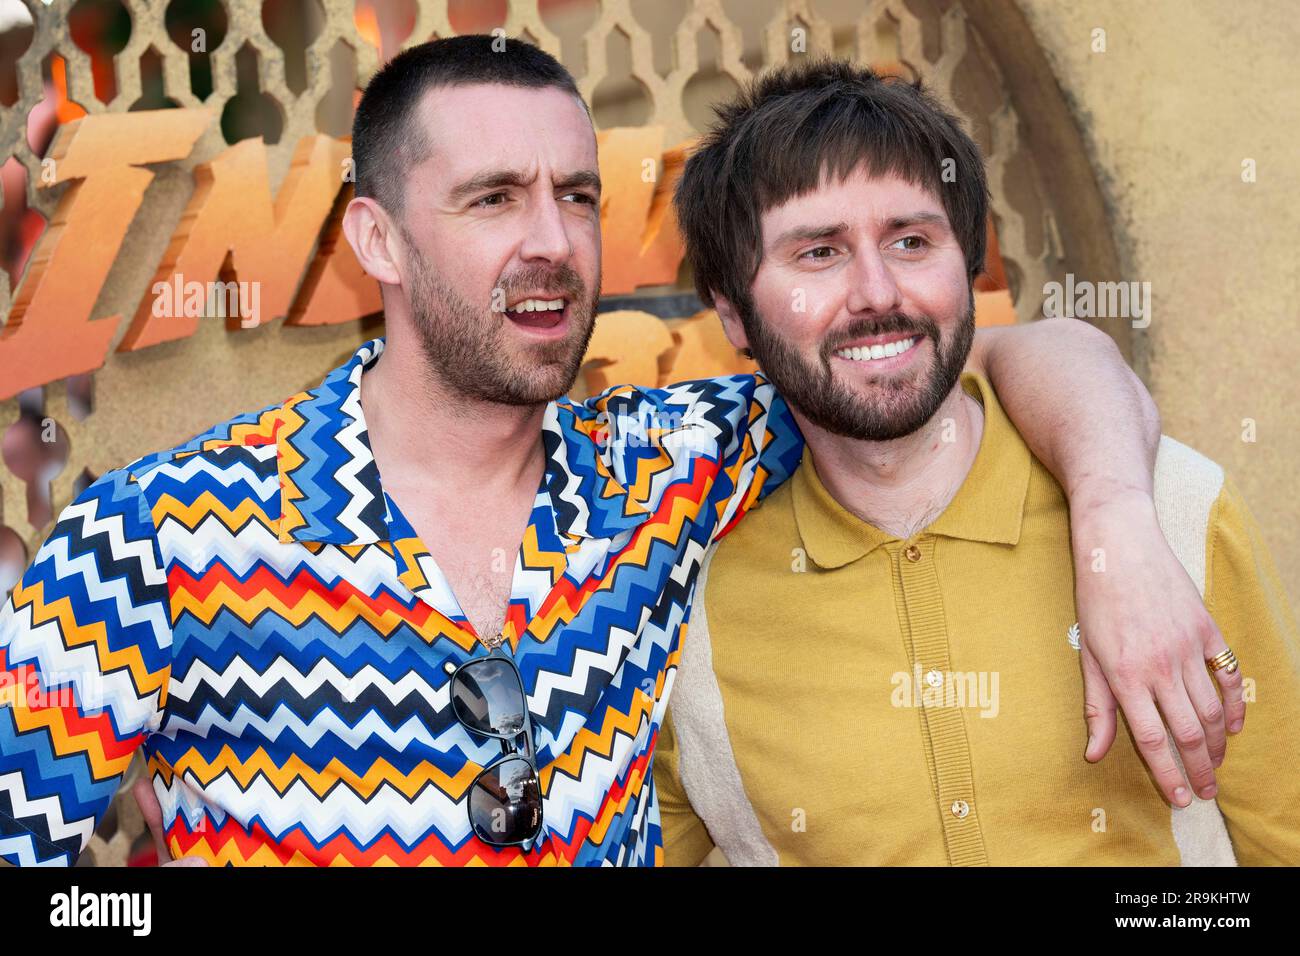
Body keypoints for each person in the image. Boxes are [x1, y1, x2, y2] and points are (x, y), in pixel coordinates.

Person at [0, 38, 1231, 868]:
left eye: (577, 197)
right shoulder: (156, 534)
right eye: (493, 198)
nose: (552, 241)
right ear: (376, 240)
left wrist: (1117, 523)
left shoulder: (672, 466)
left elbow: (1000, 355)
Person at [654, 58, 1297, 866]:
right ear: (732, 316)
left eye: (911, 242)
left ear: (968, 266)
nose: (878, 292)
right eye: (818, 253)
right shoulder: (684, 604)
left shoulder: (1173, 511)